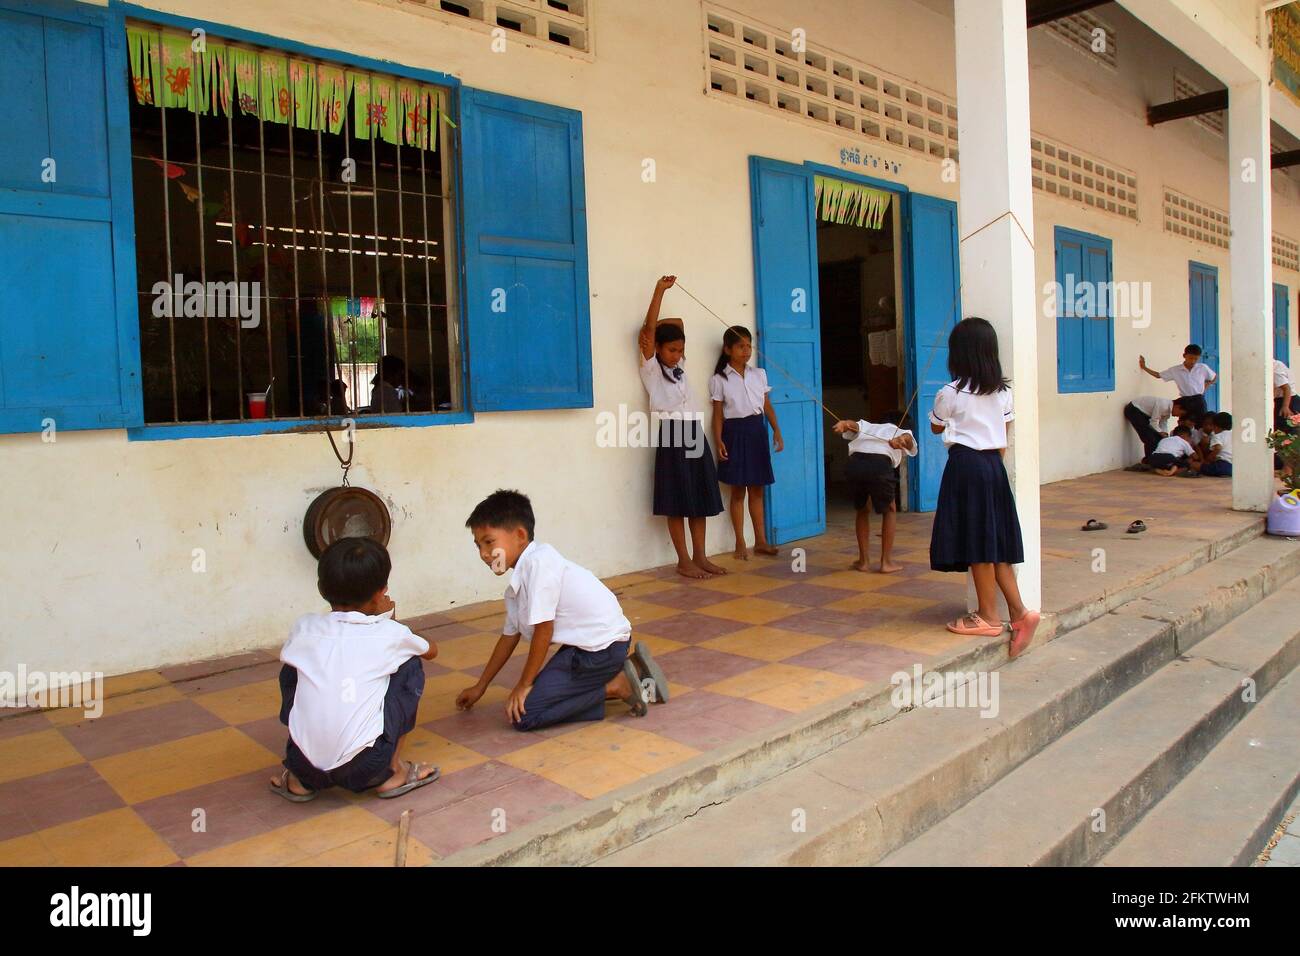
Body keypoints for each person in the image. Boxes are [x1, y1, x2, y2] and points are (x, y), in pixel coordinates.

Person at [457, 490, 669, 731]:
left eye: (489, 542)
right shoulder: (522, 579)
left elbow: (544, 631)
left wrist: (524, 685)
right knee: (533, 701)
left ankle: (617, 685)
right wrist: (480, 686)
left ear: (520, 535)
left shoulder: (539, 565)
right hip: (591, 647)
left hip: (599, 651)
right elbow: (509, 637)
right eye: (478, 545)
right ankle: (628, 670)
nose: (483, 554)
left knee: (525, 716)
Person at [270, 537, 441, 803]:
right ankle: (394, 771)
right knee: (409, 662)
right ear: (381, 592)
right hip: (367, 767)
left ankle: (297, 779)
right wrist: (389, 620)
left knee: (295, 666)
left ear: (320, 588)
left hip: (302, 762)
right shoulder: (390, 634)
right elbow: (431, 650)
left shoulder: (304, 627)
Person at [928, 317, 1040, 658]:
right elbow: (1004, 436)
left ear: (957, 354)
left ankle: (988, 616)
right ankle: (1020, 613)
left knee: (978, 542)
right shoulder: (1004, 392)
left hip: (966, 466)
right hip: (994, 466)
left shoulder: (949, 393)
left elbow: (935, 429)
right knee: (995, 543)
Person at [638, 275, 727, 578]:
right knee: (677, 501)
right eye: (671, 350)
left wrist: (671, 331)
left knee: (699, 498)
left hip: (694, 434)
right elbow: (650, 330)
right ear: (657, 349)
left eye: (680, 350)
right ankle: (683, 559)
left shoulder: (679, 368)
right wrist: (659, 290)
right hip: (673, 435)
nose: (677, 355)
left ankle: (701, 556)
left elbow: (676, 323)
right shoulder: (651, 369)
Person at [710, 325, 782, 559]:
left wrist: (776, 431)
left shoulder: (759, 374)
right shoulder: (719, 379)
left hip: (756, 431)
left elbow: (767, 405)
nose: (746, 350)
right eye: (740, 346)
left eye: (749, 345)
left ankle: (760, 541)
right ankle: (740, 543)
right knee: (738, 491)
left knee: (757, 490)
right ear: (728, 349)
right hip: (734, 433)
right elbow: (718, 414)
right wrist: (719, 439)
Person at [832, 410, 916, 574]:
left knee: (862, 510)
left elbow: (853, 425)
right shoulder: (903, 430)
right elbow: (908, 441)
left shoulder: (869, 426)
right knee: (890, 510)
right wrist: (900, 440)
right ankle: (886, 562)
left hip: (855, 464)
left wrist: (844, 424)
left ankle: (863, 562)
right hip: (879, 465)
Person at [1138, 345, 1216, 418]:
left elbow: (1214, 377)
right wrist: (1145, 367)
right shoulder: (1175, 370)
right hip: (1185, 400)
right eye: (1191, 358)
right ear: (1184, 356)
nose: (1193, 361)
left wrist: (1206, 386)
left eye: (1196, 359)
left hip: (1199, 400)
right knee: (1184, 424)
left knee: (1200, 423)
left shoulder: (1203, 368)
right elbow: (1158, 375)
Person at [1123, 395, 1187, 467]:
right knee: (1150, 438)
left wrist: (1165, 434)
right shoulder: (1163, 405)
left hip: (1143, 415)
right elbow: (1153, 422)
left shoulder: (1168, 411)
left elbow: (1163, 422)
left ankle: (1152, 461)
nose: (1178, 416)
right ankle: (1149, 462)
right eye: (1181, 413)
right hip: (1134, 410)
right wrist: (1160, 432)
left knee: (1158, 439)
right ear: (1178, 406)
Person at [1184, 412, 1232, 478]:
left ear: (1216, 426)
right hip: (1234, 467)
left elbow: (1218, 448)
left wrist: (1208, 460)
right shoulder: (1234, 435)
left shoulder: (1218, 436)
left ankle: (1220, 472)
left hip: (1222, 465)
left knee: (1194, 465)